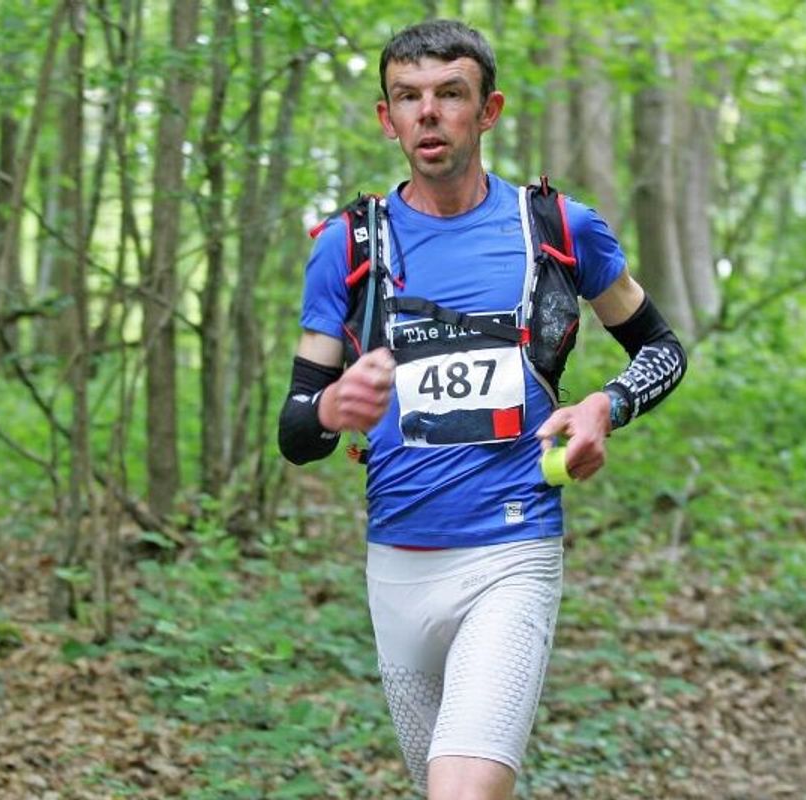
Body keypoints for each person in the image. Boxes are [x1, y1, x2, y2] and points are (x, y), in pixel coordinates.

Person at [277, 19, 686, 800]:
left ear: (487, 110)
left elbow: (663, 350)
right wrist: (331, 406)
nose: (428, 114)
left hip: (513, 549)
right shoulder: (348, 245)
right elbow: (296, 433)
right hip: (395, 564)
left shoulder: (558, 228)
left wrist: (607, 402)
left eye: (449, 95)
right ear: (386, 116)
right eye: (408, 97)